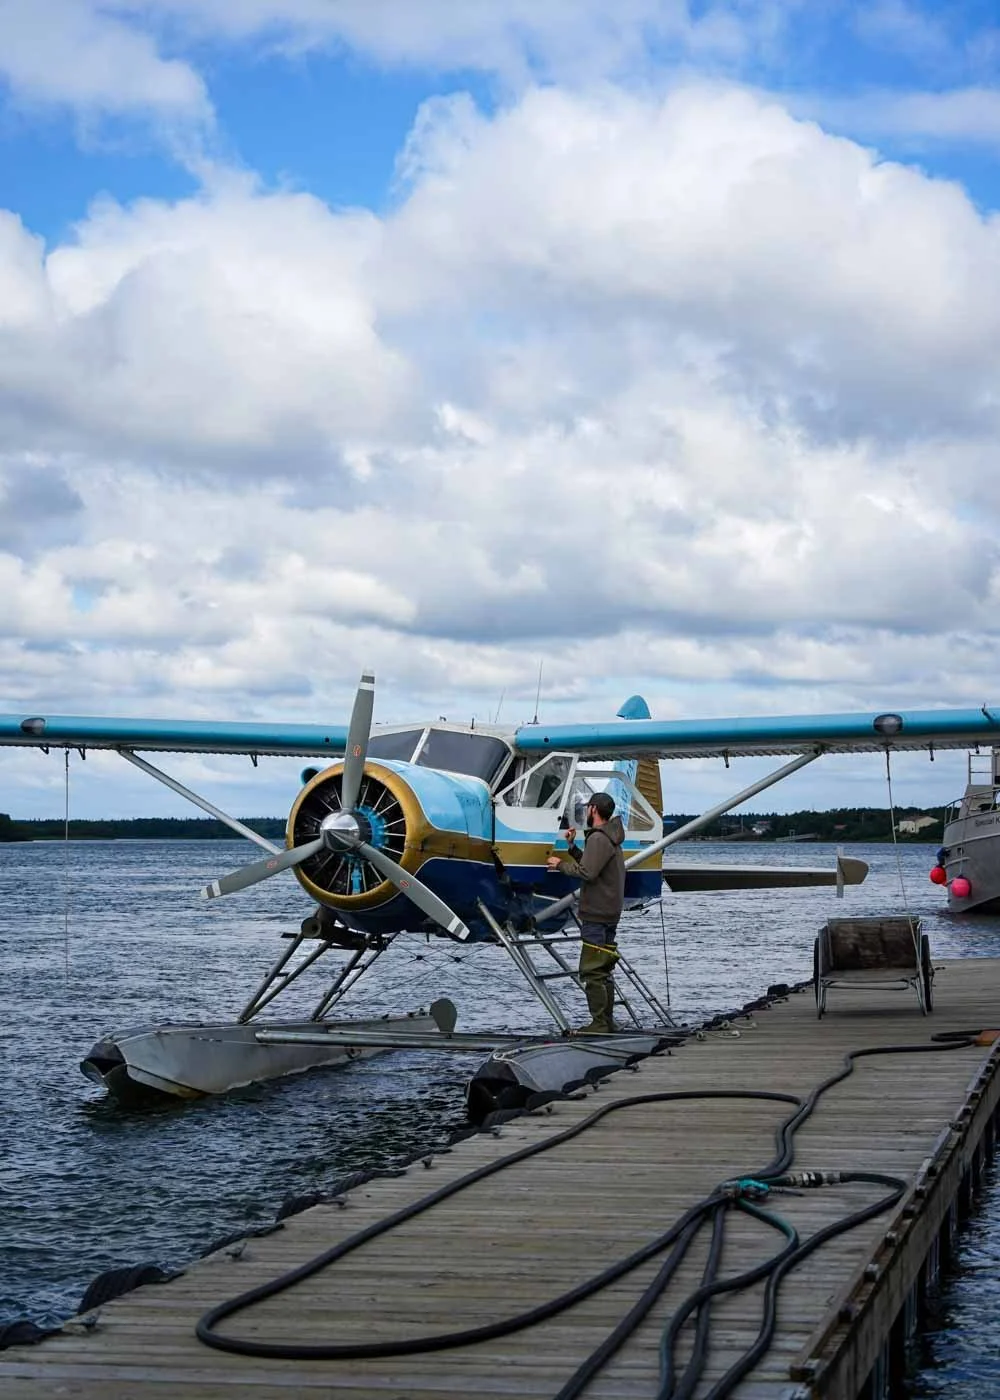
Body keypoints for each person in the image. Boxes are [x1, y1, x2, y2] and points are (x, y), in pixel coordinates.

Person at [546, 791, 625, 1033]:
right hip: (608, 912)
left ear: (593, 810)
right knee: (603, 969)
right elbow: (593, 865)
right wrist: (572, 848)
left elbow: (587, 873)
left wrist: (559, 865)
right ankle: (607, 1022)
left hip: (597, 914)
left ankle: (600, 1023)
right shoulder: (607, 837)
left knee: (592, 971)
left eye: (587, 808)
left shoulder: (599, 838)